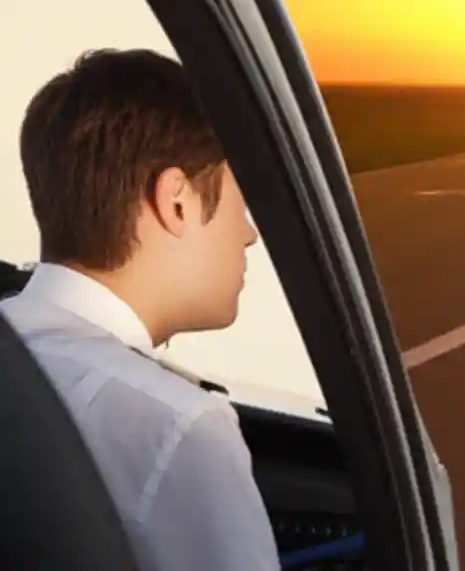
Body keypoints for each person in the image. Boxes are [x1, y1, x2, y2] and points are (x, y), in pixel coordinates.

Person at [0, 49, 280, 570]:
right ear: (176, 201)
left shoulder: (18, 353)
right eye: (240, 202)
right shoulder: (178, 429)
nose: (249, 234)